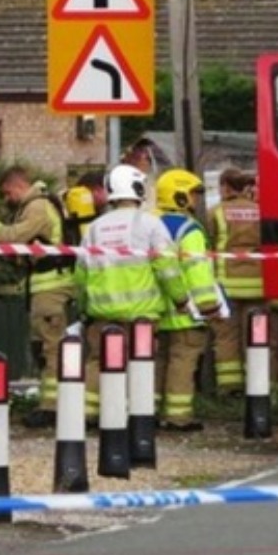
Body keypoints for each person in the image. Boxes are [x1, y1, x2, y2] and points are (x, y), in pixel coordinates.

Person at [74, 164, 189, 423]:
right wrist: (180, 299)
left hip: (101, 312)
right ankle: (132, 415)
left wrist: (82, 307)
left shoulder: (94, 228)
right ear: (138, 189)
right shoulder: (150, 224)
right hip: (141, 314)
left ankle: (87, 414)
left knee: (97, 360)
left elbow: (80, 274)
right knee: (139, 364)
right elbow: (167, 268)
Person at [0, 166, 78, 429]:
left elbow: (12, 237)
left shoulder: (37, 207)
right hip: (44, 286)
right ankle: (50, 404)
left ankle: (51, 408)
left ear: (18, 186)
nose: (7, 199)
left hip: (52, 287)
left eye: (7, 193)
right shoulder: (35, 205)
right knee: (45, 347)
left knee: (50, 348)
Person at [153, 169, 226, 431]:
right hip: (185, 312)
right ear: (181, 197)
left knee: (158, 362)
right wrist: (210, 307)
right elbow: (197, 272)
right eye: (193, 194)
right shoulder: (189, 230)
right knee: (182, 363)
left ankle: (147, 412)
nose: (196, 200)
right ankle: (177, 416)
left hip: (156, 310)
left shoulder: (152, 224)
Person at [208, 168, 270, 394]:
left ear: (225, 186)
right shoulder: (262, 211)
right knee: (256, 338)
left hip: (227, 287)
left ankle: (230, 387)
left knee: (226, 338)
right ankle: (258, 384)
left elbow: (208, 246)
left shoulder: (215, 212)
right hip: (258, 286)